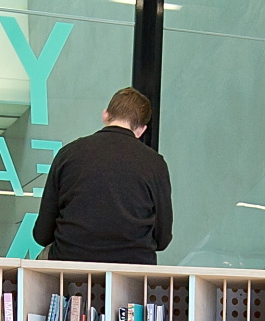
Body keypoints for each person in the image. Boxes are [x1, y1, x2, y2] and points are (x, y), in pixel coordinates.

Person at [32, 87, 171, 264]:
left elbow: (42, 234)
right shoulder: (155, 164)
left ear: (105, 115)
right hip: (133, 266)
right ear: (141, 130)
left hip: (71, 262)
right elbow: (162, 238)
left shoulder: (68, 154)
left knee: (36, 268)